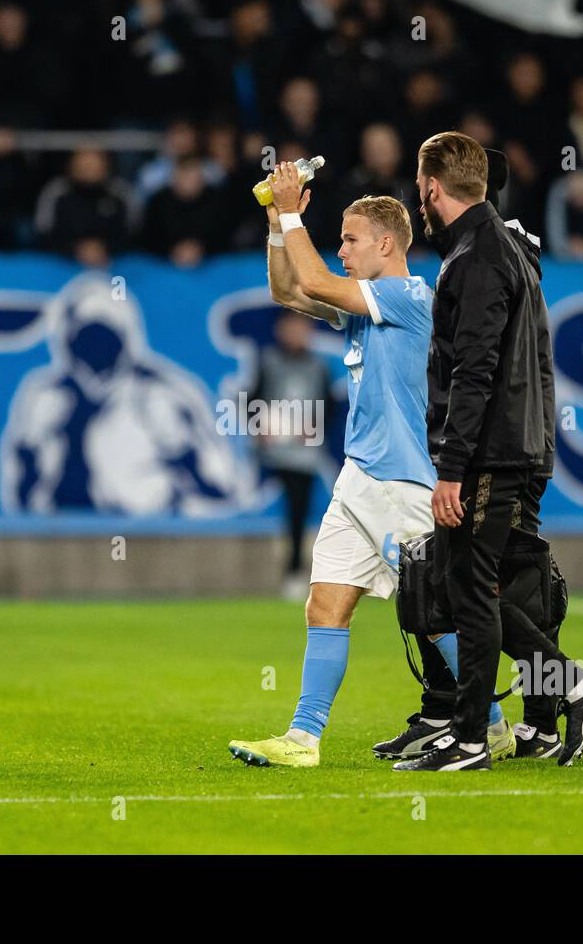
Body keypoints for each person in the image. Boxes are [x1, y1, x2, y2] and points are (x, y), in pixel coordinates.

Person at [395, 132, 583, 771]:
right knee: (501, 583)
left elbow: (475, 371)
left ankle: (477, 733)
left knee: (468, 583)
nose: (419, 196)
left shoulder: (478, 257)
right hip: (519, 443)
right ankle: (550, 709)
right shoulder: (499, 246)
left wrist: (452, 468)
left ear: (431, 187)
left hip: (492, 450)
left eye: (421, 184)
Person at [227, 161, 439, 768]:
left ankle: (492, 719)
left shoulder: (406, 294)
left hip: (402, 482)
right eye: (339, 239)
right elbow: (288, 291)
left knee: (433, 614)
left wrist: (295, 211)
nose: (340, 250)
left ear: (386, 243)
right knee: (325, 604)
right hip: (359, 479)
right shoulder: (370, 306)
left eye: (349, 240)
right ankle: (303, 737)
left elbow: (315, 281)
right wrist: (276, 226)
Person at [249, 311, 334, 599]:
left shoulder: (317, 367)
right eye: (292, 328)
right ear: (280, 331)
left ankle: (296, 570)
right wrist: (261, 426)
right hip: (272, 452)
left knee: (300, 512)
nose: (297, 334)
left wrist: (314, 426)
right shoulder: (269, 363)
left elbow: (329, 408)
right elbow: (252, 401)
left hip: (303, 455)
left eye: (303, 328)